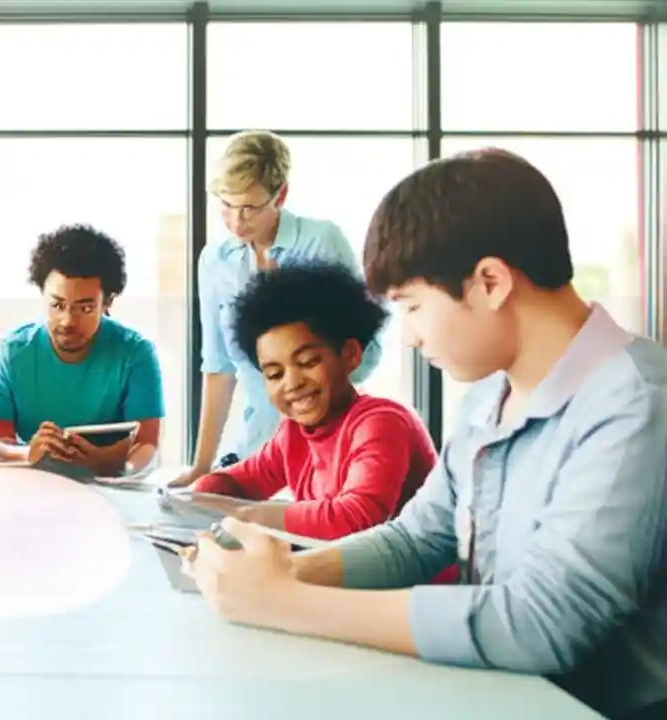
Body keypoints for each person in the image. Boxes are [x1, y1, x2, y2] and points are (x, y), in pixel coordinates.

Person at [186, 149, 667, 720]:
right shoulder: (490, 398)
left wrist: (285, 601)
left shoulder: (635, 403)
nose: (409, 337)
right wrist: (279, 574)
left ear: (490, 282)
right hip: (493, 694)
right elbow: (415, 540)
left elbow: (544, 623)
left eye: (412, 307)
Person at [173, 130, 381, 488]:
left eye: (250, 207)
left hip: (324, 444)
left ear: (280, 195)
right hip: (257, 444)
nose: (237, 221)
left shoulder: (321, 242)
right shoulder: (215, 261)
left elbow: (364, 354)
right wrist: (201, 466)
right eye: (226, 204)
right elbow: (218, 367)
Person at [192, 263, 437, 541]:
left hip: (414, 582)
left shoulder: (381, 423)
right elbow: (236, 481)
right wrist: (203, 493)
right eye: (274, 374)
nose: (292, 383)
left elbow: (356, 519)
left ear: (350, 355)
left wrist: (253, 516)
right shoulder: (292, 435)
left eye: (308, 362)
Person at [0, 224, 164, 477]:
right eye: (57, 304)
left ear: (107, 302)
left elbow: (148, 445)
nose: (68, 320)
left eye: (85, 308)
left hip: (109, 484)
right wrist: (29, 453)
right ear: (42, 295)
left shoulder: (136, 354)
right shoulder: (14, 352)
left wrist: (113, 466)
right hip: (33, 482)